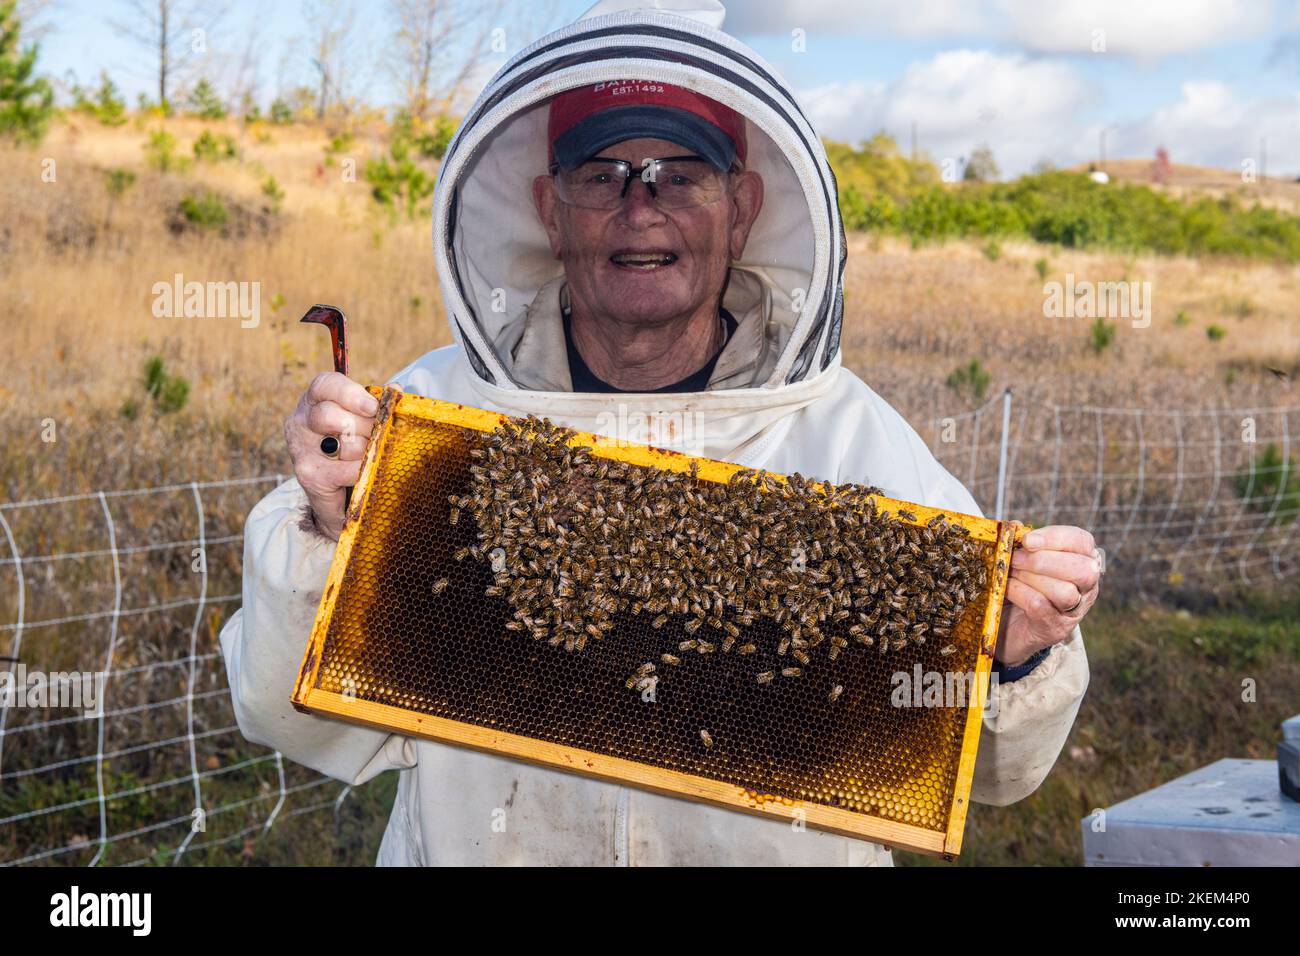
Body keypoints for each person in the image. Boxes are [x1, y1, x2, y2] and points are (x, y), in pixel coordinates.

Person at [221, 0, 1097, 865]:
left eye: (681, 174)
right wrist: (330, 532)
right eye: (601, 176)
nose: (641, 209)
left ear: (741, 208)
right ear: (550, 211)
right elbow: (281, 713)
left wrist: (1014, 653)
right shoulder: (430, 413)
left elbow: (986, 768)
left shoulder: (847, 439)